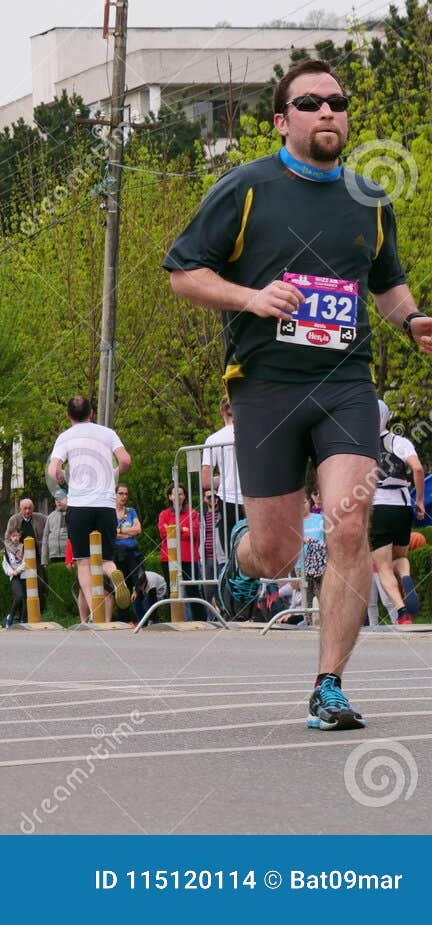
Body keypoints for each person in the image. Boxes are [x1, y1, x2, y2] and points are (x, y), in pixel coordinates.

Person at [164, 56, 432, 729]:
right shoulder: (246, 188)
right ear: (282, 121)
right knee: (279, 549)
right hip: (265, 388)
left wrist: (413, 320)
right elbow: (182, 272)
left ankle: (328, 684)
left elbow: (387, 282)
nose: (327, 113)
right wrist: (251, 297)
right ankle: (242, 558)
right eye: (310, 103)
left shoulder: (369, 198)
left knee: (347, 523)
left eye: (336, 102)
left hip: (345, 383)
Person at [47, 396, 132, 622]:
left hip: (79, 506)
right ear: (91, 413)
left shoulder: (64, 437)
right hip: (105, 506)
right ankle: (113, 572)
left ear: (68, 416)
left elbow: (53, 471)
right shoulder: (107, 433)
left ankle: (95, 612)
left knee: (83, 562)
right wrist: (113, 474)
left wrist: (62, 491)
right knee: (105, 558)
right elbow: (125, 460)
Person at [369, 399, 424, 626]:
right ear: (387, 417)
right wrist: (419, 499)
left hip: (378, 507)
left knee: (382, 566)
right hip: (402, 506)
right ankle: (406, 576)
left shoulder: (360, 446)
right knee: (400, 557)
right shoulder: (400, 442)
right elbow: (418, 468)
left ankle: (402, 612)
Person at [200, 397, 243, 564]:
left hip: (229, 499)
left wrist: (223, 478)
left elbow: (205, 481)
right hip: (255, 496)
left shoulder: (213, 440)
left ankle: (239, 587)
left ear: (221, 412)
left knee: (233, 552)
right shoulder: (253, 433)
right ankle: (265, 588)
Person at [114, 485, 145, 624]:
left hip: (133, 554)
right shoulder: (109, 513)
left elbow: (138, 530)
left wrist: (120, 532)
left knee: (138, 584)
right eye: (121, 493)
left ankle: (140, 619)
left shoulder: (131, 511)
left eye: (126, 494)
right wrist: (127, 531)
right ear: (115, 495)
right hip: (117, 555)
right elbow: (110, 533)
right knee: (121, 588)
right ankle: (124, 620)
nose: (124, 496)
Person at [1, 533, 27, 626]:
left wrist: (18, 570)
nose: (15, 538)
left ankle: (23, 620)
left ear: (20, 536)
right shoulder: (7, 549)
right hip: (14, 576)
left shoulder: (24, 546)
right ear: (10, 538)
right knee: (19, 596)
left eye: (17, 535)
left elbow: (26, 562)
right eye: (13, 536)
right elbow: (5, 564)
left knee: (25, 598)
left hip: (24, 574)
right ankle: (10, 617)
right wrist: (11, 572)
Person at [41, 490, 68, 567]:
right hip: (53, 556)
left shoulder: (72, 514)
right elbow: (45, 538)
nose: (58, 501)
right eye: (56, 499)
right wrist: (44, 560)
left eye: (61, 499)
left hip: (68, 556)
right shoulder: (50, 516)